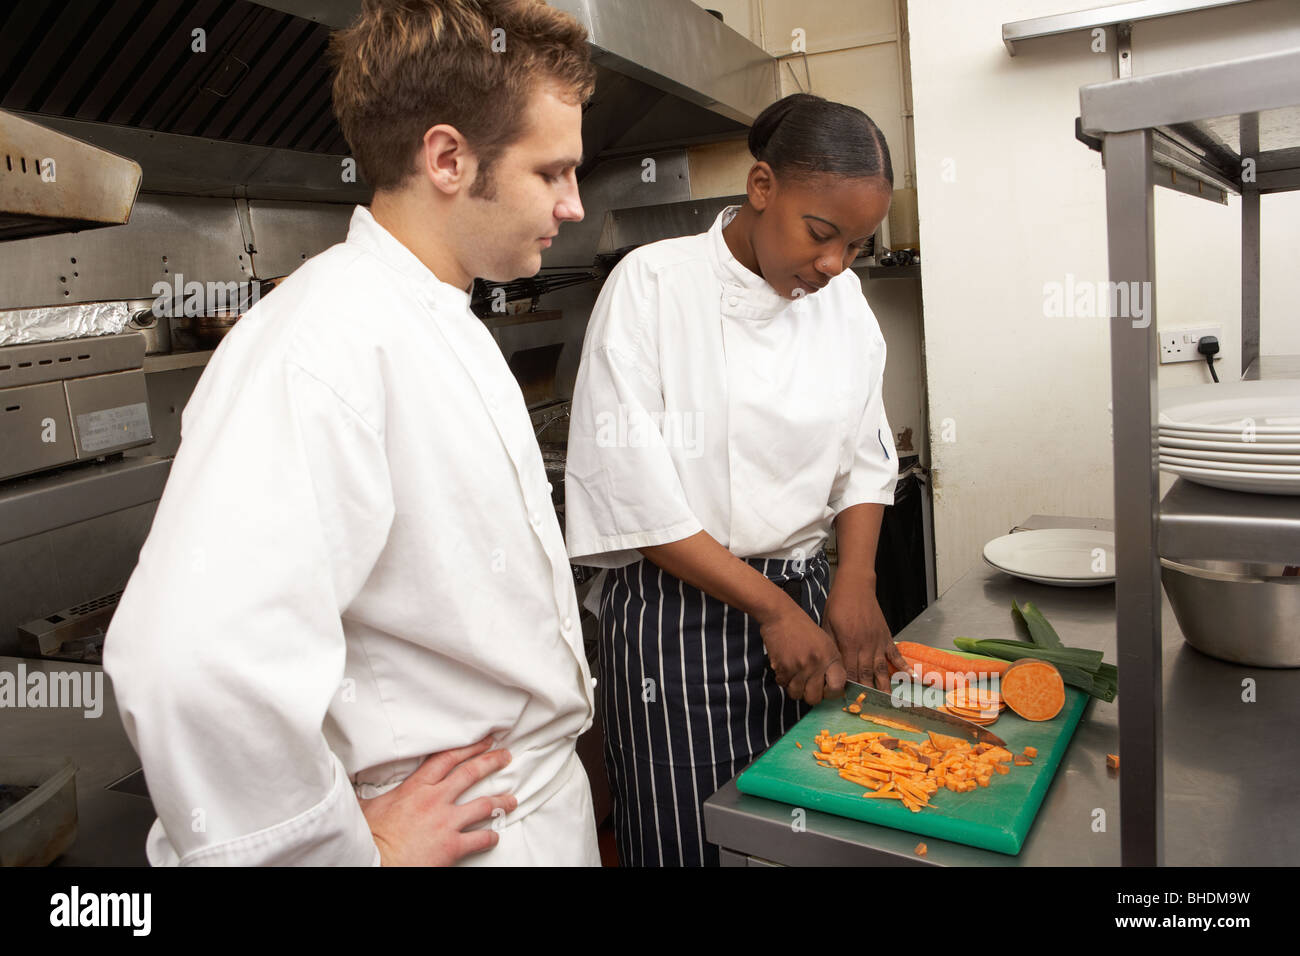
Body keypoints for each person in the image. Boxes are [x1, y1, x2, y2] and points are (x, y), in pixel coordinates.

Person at [104, 0, 600, 866]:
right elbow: (189, 662)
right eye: (553, 173)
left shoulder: (437, 311)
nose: (575, 207)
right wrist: (345, 853)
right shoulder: (319, 342)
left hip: (525, 812)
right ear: (448, 158)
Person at [564, 92, 908, 867]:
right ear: (761, 188)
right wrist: (771, 607)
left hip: (808, 602)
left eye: (855, 244)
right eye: (820, 234)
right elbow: (634, 495)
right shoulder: (653, 285)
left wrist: (853, 583)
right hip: (678, 622)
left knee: (812, 831)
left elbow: (865, 452)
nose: (833, 265)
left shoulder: (844, 302)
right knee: (694, 839)